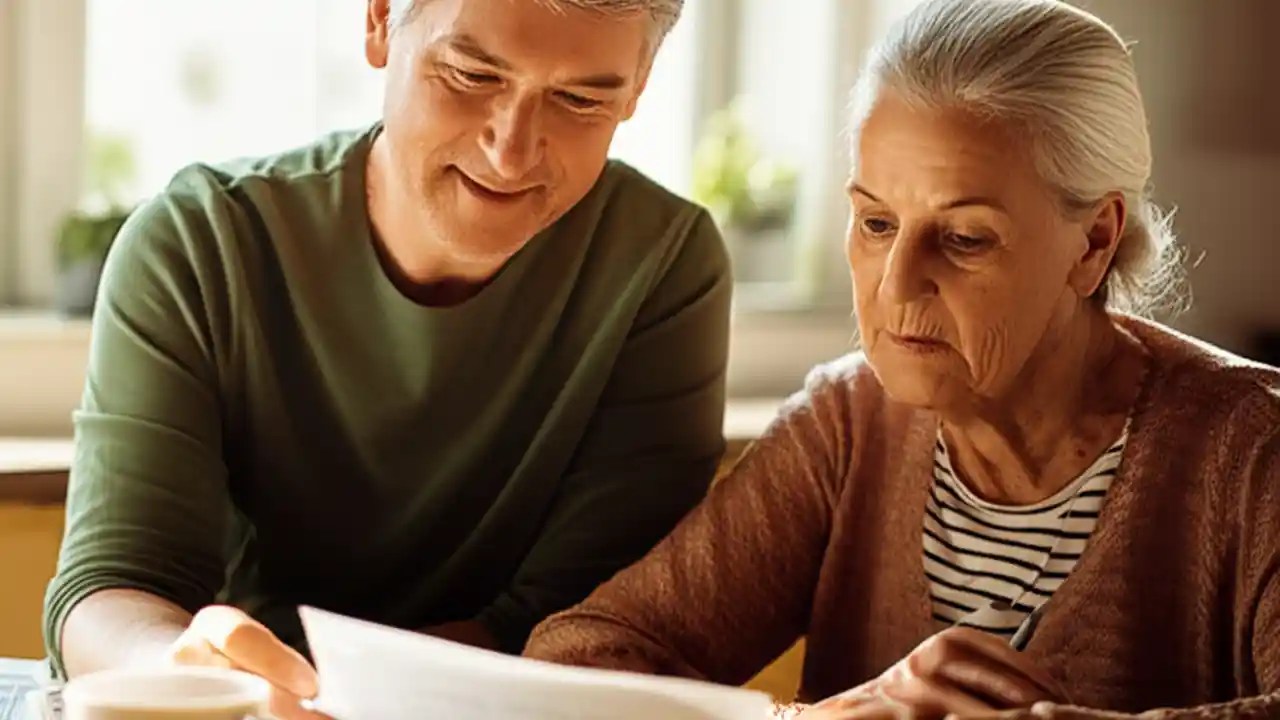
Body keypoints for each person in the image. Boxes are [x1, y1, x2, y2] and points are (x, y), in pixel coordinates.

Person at [524, 1, 1280, 718]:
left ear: (1094, 243)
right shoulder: (846, 425)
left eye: (965, 238)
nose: (894, 284)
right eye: (876, 222)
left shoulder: (1253, 448)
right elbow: (573, 662)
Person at [44, 0, 730, 717]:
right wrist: (179, 672)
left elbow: (594, 624)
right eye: (469, 74)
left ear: (641, 82)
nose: (512, 149)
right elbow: (111, 587)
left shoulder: (663, 267)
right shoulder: (199, 244)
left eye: (580, 99)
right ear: (378, 20)